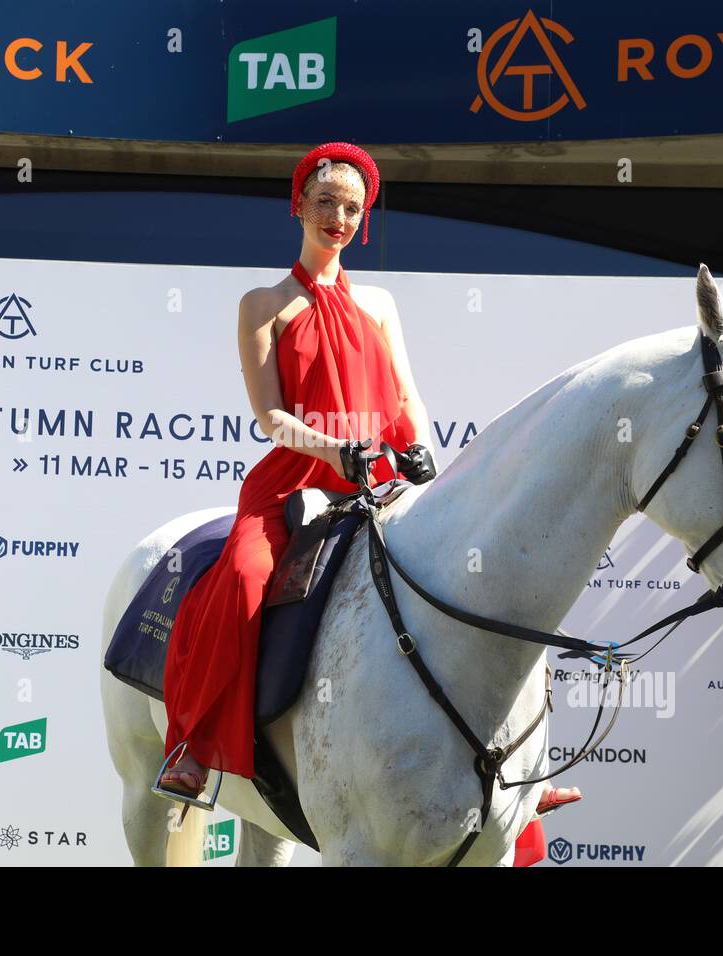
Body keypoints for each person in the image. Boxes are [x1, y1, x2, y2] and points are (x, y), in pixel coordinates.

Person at [157, 142, 577, 863]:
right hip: (296, 481)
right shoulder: (264, 304)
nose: (340, 218)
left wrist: (427, 459)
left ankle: (522, 781)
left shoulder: (379, 303)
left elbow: (408, 395)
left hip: (384, 482)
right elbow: (270, 417)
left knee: (486, 584)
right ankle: (193, 747)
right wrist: (333, 449)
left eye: (353, 208)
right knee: (245, 579)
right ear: (298, 204)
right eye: (326, 202)